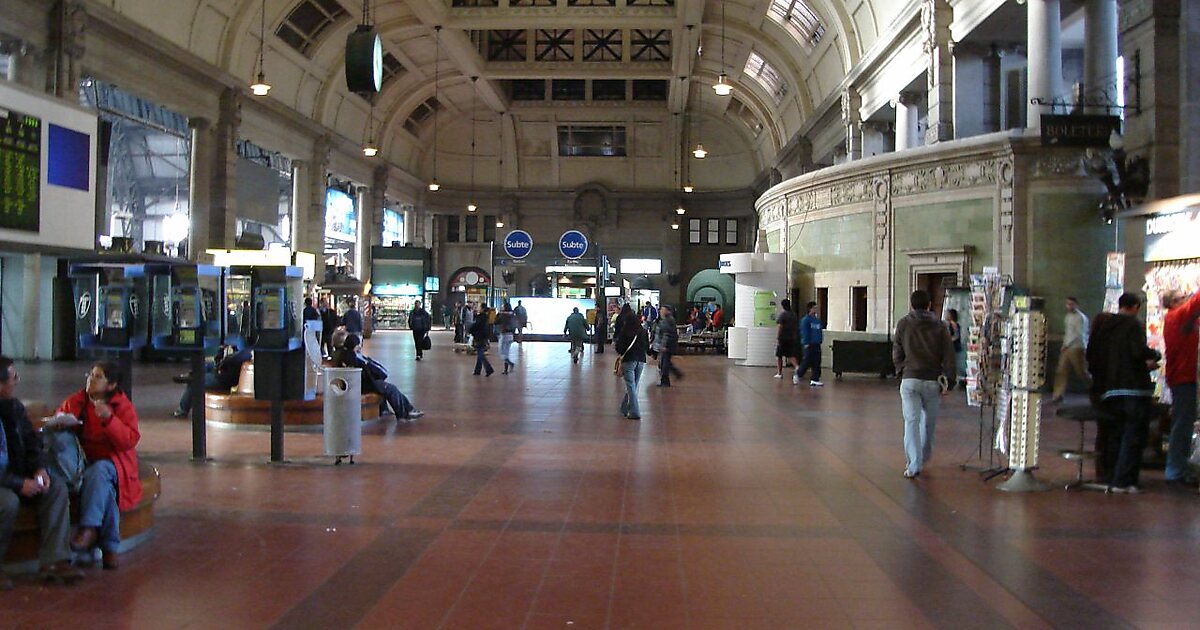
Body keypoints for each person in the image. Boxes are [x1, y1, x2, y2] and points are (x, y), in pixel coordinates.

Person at [0, 356, 84, 587]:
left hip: (17, 475)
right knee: (7, 503)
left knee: (55, 488)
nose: (17, 381)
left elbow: (31, 443)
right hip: (5, 483)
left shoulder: (15, 408)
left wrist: (40, 468)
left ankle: (55, 561)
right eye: (14, 377)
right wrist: (18, 484)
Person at [57, 362, 142, 570]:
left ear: (111, 385)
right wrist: (62, 423)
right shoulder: (77, 401)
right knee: (105, 490)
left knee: (99, 472)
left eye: (97, 377)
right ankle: (110, 548)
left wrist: (109, 420)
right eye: (90, 375)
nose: (90, 380)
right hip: (84, 461)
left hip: (115, 464)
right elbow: (59, 415)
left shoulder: (122, 407)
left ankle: (89, 528)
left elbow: (128, 441)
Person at [1087, 293, 1160, 493]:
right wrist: (1154, 355)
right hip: (1133, 389)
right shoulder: (1133, 325)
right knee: (1133, 436)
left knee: (1116, 434)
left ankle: (1112, 476)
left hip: (1111, 389)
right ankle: (1125, 480)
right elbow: (1138, 352)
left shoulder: (1106, 327)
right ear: (1135, 307)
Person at [893, 290, 957, 479]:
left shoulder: (903, 323)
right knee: (928, 422)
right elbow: (949, 355)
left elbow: (896, 351)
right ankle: (924, 455)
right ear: (929, 305)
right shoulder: (940, 326)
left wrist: (901, 371)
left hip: (910, 379)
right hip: (932, 380)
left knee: (911, 421)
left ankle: (914, 464)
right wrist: (950, 381)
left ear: (911, 305)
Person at [1161, 289, 1200, 489]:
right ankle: (1175, 471)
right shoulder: (1177, 316)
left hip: (1186, 376)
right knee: (1182, 425)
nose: (1187, 299)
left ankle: (1180, 469)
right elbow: (1196, 303)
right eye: (1183, 297)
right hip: (1184, 377)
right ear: (1174, 302)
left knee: (1184, 424)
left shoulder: (1183, 319)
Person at [337, 335, 423, 419]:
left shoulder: (349, 354)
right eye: (358, 345)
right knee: (390, 389)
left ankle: (387, 410)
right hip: (363, 384)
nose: (359, 347)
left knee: (385, 387)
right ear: (354, 345)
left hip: (362, 382)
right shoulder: (352, 357)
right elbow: (362, 372)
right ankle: (405, 412)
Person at [174, 341, 253, 417]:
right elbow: (218, 360)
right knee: (205, 368)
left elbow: (231, 360)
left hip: (224, 380)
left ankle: (182, 410)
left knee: (194, 382)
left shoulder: (247, 353)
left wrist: (227, 357)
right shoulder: (237, 349)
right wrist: (222, 351)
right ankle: (192, 374)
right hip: (220, 374)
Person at [1051, 297, 1091, 404]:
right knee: (1061, 371)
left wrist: (1067, 344)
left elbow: (1079, 334)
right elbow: (1068, 333)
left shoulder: (1081, 318)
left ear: (1076, 305)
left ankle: (1096, 389)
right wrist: (1065, 345)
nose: (1069, 306)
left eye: (1071, 304)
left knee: (1081, 372)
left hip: (1077, 347)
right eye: (1068, 304)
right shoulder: (1068, 317)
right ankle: (1058, 395)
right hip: (1067, 347)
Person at [614, 311, 650, 420]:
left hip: (629, 360)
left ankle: (635, 412)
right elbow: (647, 347)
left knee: (630, 386)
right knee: (633, 385)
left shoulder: (625, 331)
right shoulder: (643, 331)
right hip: (641, 361)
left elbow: (619, 347)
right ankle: (624, 408)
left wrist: (621, 352)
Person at [794, 301, 825, 387]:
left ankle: (815, 379)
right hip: (809, 344)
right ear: (810, 309)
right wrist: (806, 342)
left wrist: (820, 340)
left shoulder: (817, 321)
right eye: (814, 308)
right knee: (807, 361)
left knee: (817, 362)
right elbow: (805, 332)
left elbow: (819, 331)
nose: (816, 309)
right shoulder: (805, 320)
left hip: (816, 343)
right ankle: (798, 374)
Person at [653, 305, 683, 387]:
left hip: (667, 346)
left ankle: (665, 381)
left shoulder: (668, 320)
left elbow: (667, 334)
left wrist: (664, 345)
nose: (661, 311)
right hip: (667, 345)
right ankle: (676, 374)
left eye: (663, 310)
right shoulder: (667, 319)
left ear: (668, 311)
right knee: (665, 363)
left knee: (664, 364)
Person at [774, 299, 799, 379]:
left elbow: (780, 326)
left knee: (779, 355)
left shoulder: (783, 315)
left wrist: (778, 337)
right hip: (791, 337)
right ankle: (797, 366)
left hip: (783, 338)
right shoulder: (794, 315)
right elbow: (796, 327)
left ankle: (779, 373)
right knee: (790, 354)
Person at [469, 306, 495, 376]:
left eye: (479, 307)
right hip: (483, 337)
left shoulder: (481, 317)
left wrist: (471, 330)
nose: (478, 308)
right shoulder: (485, 317)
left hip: (479, 336)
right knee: (479, 353)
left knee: (480, 354)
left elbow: (476, 326)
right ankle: (477, 370)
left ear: (482, 309)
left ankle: (488, 369)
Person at [946, 308, 966, 388]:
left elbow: (956, 336)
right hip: (953, 348)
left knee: (955, 365)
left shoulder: (953, 324)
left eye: (948, 314)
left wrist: (948, 340)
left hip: (954, 348)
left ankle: (957, 380)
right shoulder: (950, 324)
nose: (946, 315)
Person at [497, 303, 518, 374]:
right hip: (511, 335)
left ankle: (510, 363)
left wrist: (499, 314)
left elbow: (496, 321)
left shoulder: (503, 315)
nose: (501, 307)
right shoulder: (513, 315)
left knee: (502, 353)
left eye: (502, 306)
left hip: (504, 335)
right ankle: (505, 370)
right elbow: (515, 325)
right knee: (506, 352)